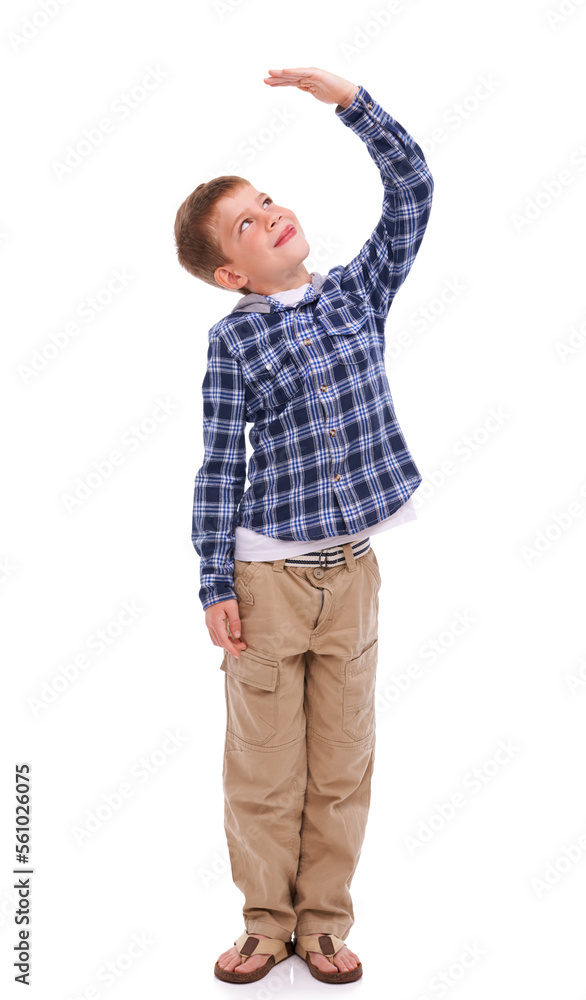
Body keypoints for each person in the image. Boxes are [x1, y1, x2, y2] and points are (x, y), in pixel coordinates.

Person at [174, 66, 434, 984]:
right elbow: (218, 469)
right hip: (267, 584)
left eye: (268, 199)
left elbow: (412, 190)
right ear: (231, 273)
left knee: (342, 762)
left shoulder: (357, 294)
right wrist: (215, 583)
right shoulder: (235, 341)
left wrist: (349, 101)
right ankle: (263, 922)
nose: (271, 213)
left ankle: (323, 922)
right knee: (265, 767)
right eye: (245, 222)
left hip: (351, 576)